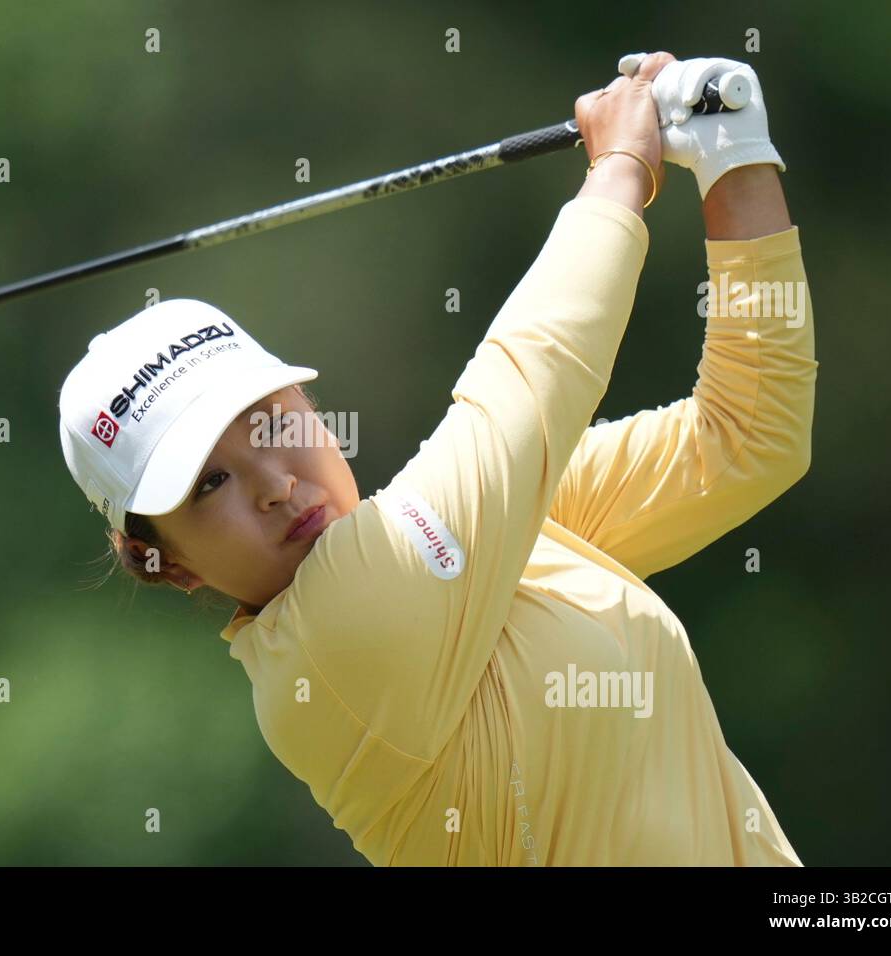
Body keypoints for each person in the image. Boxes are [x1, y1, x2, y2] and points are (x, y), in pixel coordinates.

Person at [57, 51, 817, 865]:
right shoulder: (327, 645)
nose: (274, 485)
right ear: (168, 564)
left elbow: (745, 438)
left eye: (271, 423)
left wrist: (733, 156)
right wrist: (622, 169)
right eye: (209, 484)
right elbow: (531, 380)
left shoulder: (496, 527)